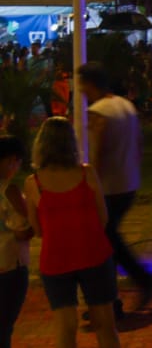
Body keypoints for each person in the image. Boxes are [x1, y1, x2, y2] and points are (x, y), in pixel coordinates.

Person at [23, 117, 120, 348]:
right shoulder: (87, 174)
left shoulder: (33, 183)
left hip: (56, 259)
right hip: (93, 253)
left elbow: (37, 229)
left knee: (66, 327)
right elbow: (103, 217)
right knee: (105, 323)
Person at [79, 63, 152, 315]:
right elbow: (139, 143)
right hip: (128, 182)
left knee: (106, 242)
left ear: (89, 84)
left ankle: (140, 282)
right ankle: (110, 299)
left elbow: (97, 153)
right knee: (108, 240)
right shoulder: (126, 105)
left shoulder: (97, 112)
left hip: (108, 187)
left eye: (80, 82)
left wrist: (91, 184)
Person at [0, 135, 33, 348]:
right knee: (3, 327)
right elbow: (22, 231)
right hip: (10, 265)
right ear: (11, 159)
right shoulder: (9, 191)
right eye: (19, 161)